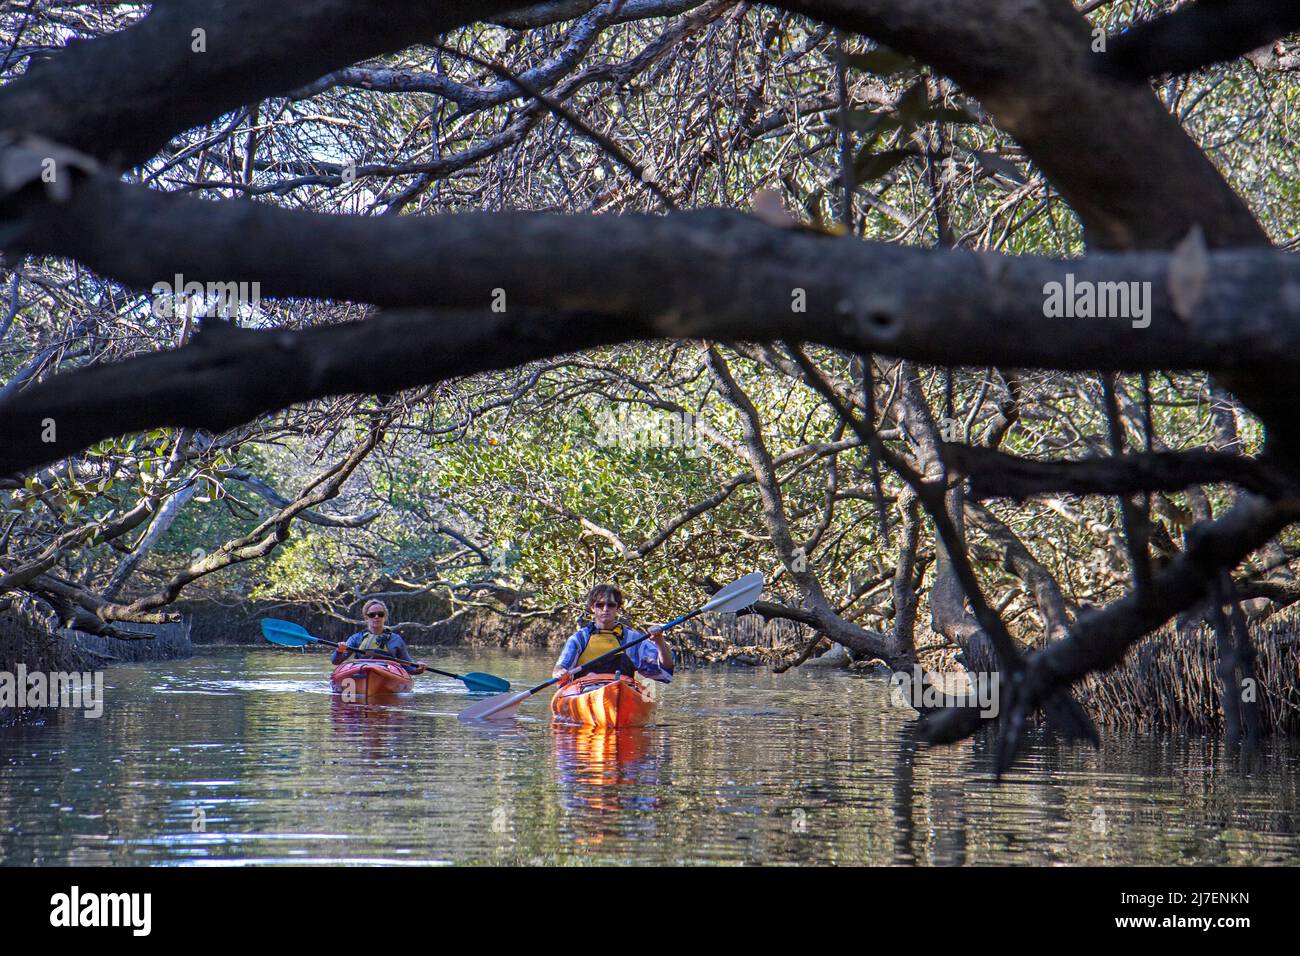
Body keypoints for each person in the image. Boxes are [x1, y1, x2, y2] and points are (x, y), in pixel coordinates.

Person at [552, 583, 673, 684]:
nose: (605, 609)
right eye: (600, 605)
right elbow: (560, 668)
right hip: (585, 690)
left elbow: (665, 672)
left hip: (622, 690)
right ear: (592, 608)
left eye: (610, 605)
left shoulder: (632, 639)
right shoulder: (579, 639)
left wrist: (659, 641)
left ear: (617, 608)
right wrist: (559, 672)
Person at [334, 599, 426, 674]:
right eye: (372, 615)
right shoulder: (356, 638)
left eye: (380, 614)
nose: (376, 617)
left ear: (385, 617)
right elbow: (336, 661)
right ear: (366, 618)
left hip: (388, 673)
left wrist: (418, 669)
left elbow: (408, 667)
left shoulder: (396, 639)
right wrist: (339, 651)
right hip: (361, 670)